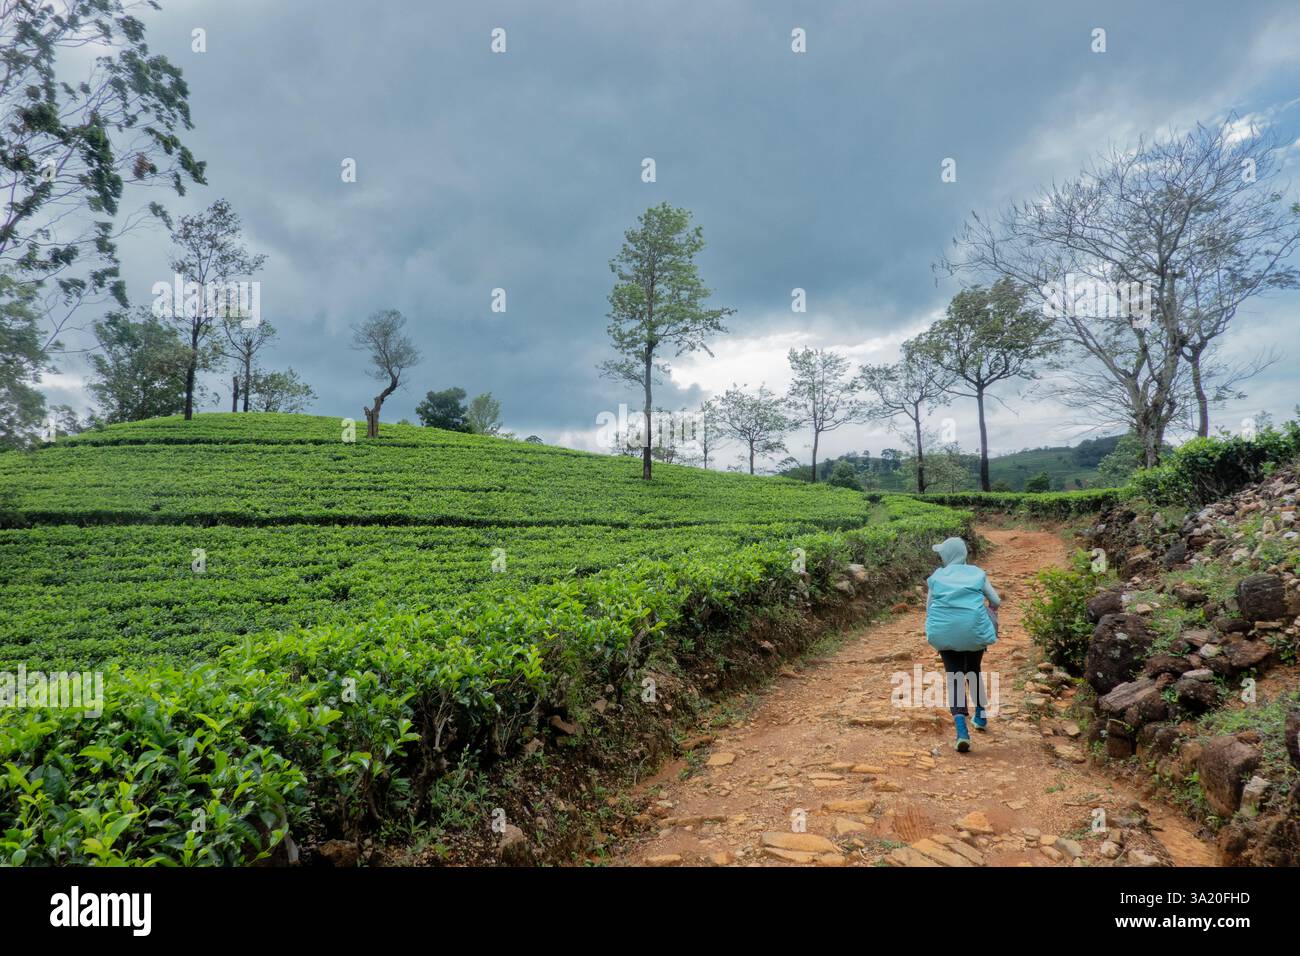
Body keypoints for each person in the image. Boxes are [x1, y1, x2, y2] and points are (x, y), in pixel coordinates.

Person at [924, 536, 1000, 752]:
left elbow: (929, 607)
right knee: (973, 671)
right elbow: (996, 601)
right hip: (974, 631)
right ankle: (981, 716)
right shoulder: (977, 573)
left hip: (946, 633)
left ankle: (961, 732)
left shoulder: (937, 577)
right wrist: (989, 613)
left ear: (947, 555)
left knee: (955, 677)